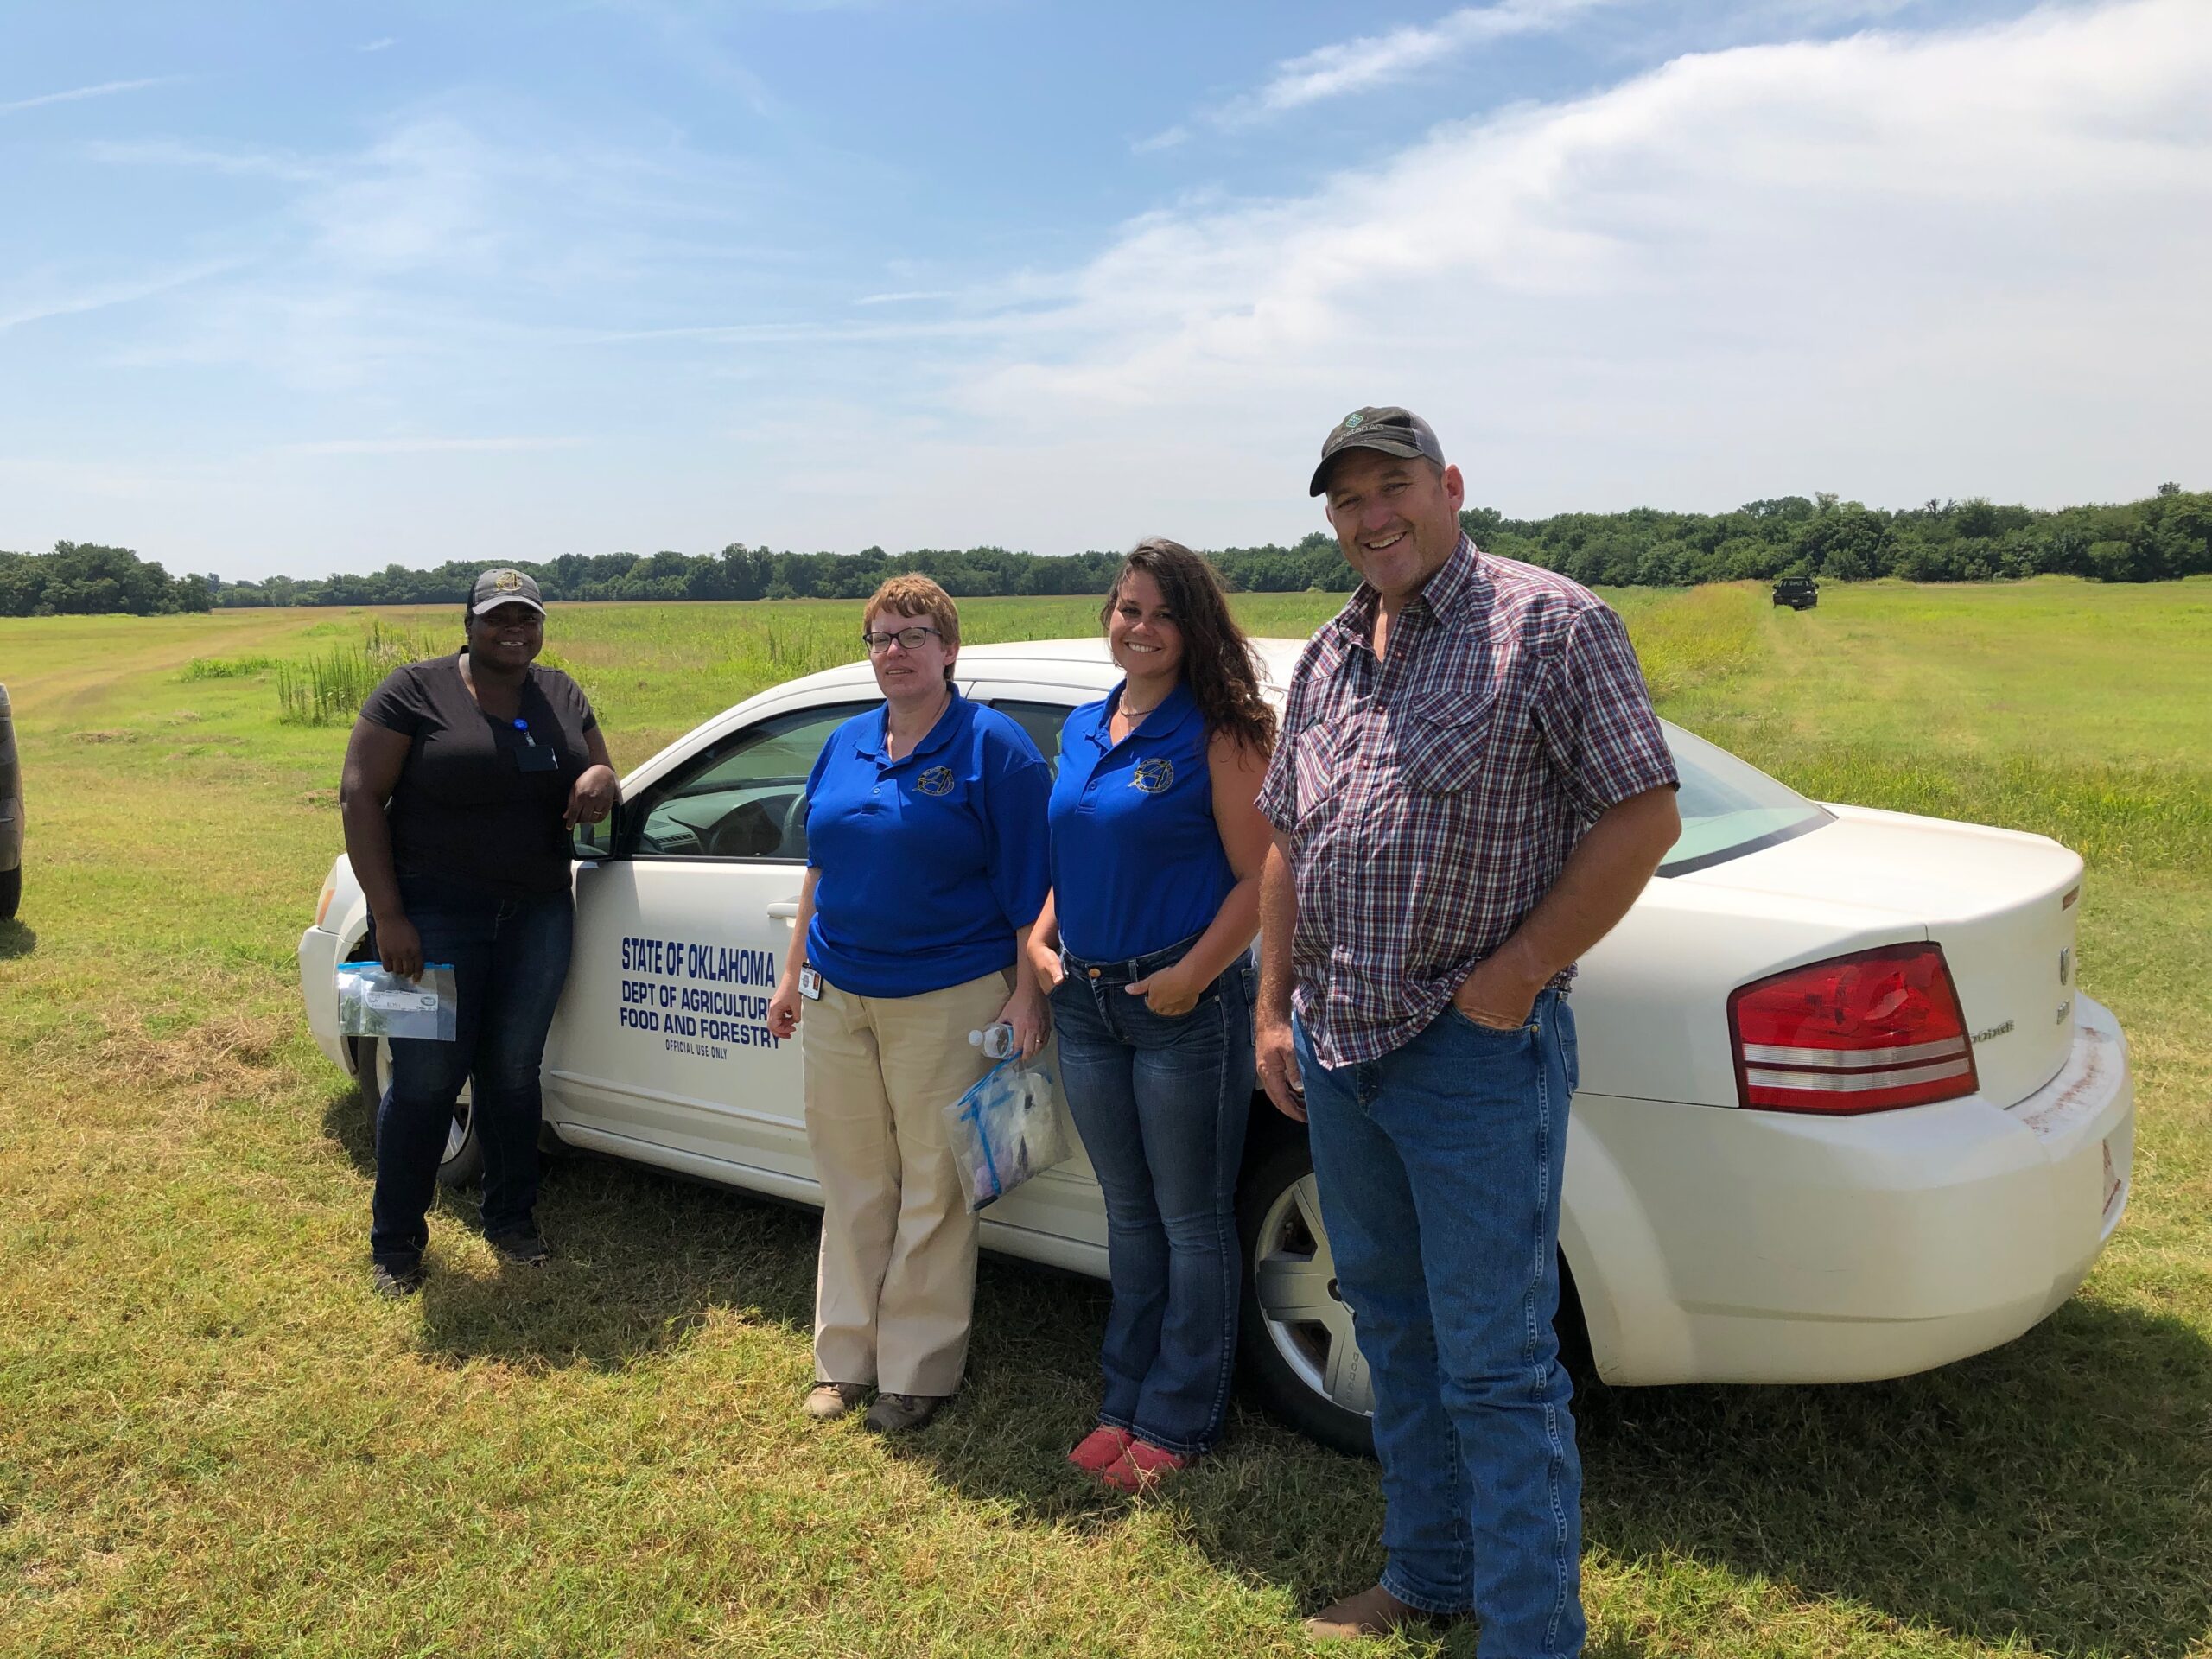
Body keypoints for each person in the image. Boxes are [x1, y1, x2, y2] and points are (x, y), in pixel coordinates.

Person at [1255, 409, 1682, 1651]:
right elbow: (1289, 839)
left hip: (1471, 1055)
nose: (1371, 518)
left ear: (1448, 486)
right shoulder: (1334, 653)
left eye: (1392, 489)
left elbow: (1640, 815)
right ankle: (1427, 1573)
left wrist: (1517, 976)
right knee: (1391, 1327)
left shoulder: (1548, 625)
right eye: (1347, 502)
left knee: (1498, 1365)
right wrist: (1274, 1009)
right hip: (1340, 1052)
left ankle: (1532, 1630)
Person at [766, 575, 1052, 1434]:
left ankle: (916, 1372)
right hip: (837, 989)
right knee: (853, 1179)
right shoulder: (847, 742)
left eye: (913, 634)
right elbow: (819, 868)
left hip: (948, 996)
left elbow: (1032, 886)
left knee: (935, 1187)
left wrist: (1026, 994)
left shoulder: (993, 748)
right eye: (881, 636)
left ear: (949, 649)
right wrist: (791, 974)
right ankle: (841, 1360)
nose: (894, 650)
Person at [1025, 539, 1275, 1492]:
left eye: (1162, 614)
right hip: (1085, 1003)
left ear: (1194, 627)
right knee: (1128, 1216)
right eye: (1127, 609)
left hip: (1183, 1007)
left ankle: (1179, 1418)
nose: (1140, 628)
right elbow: (1071, 857)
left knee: (1190, 1219)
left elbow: (1262, 875)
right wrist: (1039, 944)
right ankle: (1122, 1399)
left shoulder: (1223, 732)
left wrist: (1192, 975)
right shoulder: (1086, 726)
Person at [340, 568, 619, 1297]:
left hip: (538, 911)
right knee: (423, 1079)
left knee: (514, 1072)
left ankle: (512, 1220)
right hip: (428, 913)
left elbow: (601, 769)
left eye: (527, 618)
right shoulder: (412, 688)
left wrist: (600, 779)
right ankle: (394, 1242)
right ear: (468, 623)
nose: (514, 631)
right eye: (498, 618)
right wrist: (387, 916)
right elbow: (359, 795)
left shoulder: (559, 691)